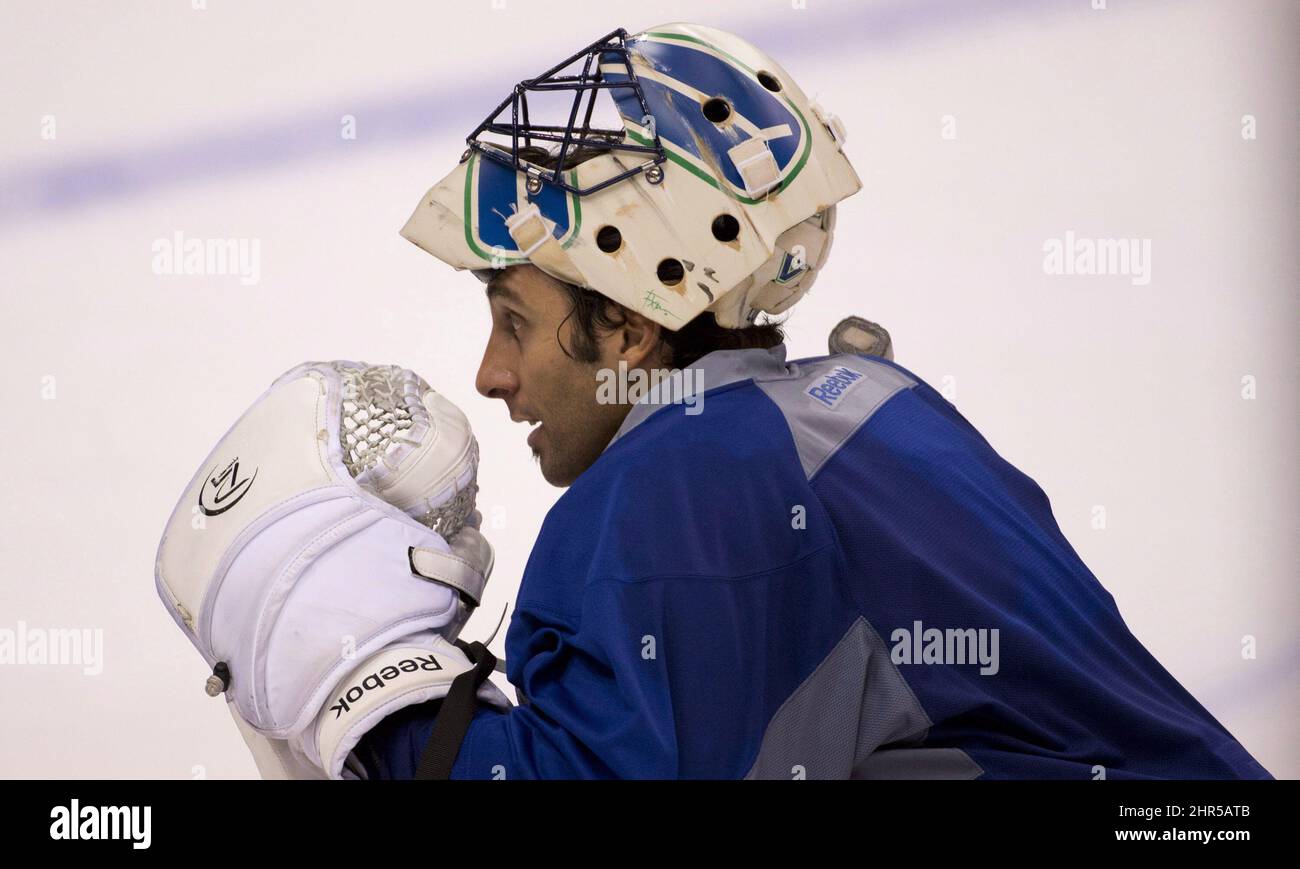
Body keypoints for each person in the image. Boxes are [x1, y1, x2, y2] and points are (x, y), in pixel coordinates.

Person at [343, 22, 1273, 779]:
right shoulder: (859, 403)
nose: (490, 373)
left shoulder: (696, 479)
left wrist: (360, 696)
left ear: (631, 325)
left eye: (514, 320)